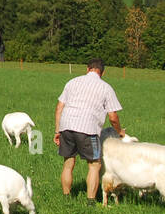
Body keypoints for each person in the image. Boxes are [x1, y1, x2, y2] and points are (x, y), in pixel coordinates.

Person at [53, 58, 126, 203]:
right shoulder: (105, 87)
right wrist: (119, 132)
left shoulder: (72, 82)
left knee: (68, 163)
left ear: (87, 69)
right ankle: (91, 201)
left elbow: (59, 107)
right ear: (102, 72)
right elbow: (113, 116)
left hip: (66, 126)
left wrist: (57, 131)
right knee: (95, 165)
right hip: (88, 129)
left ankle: (66, 197)